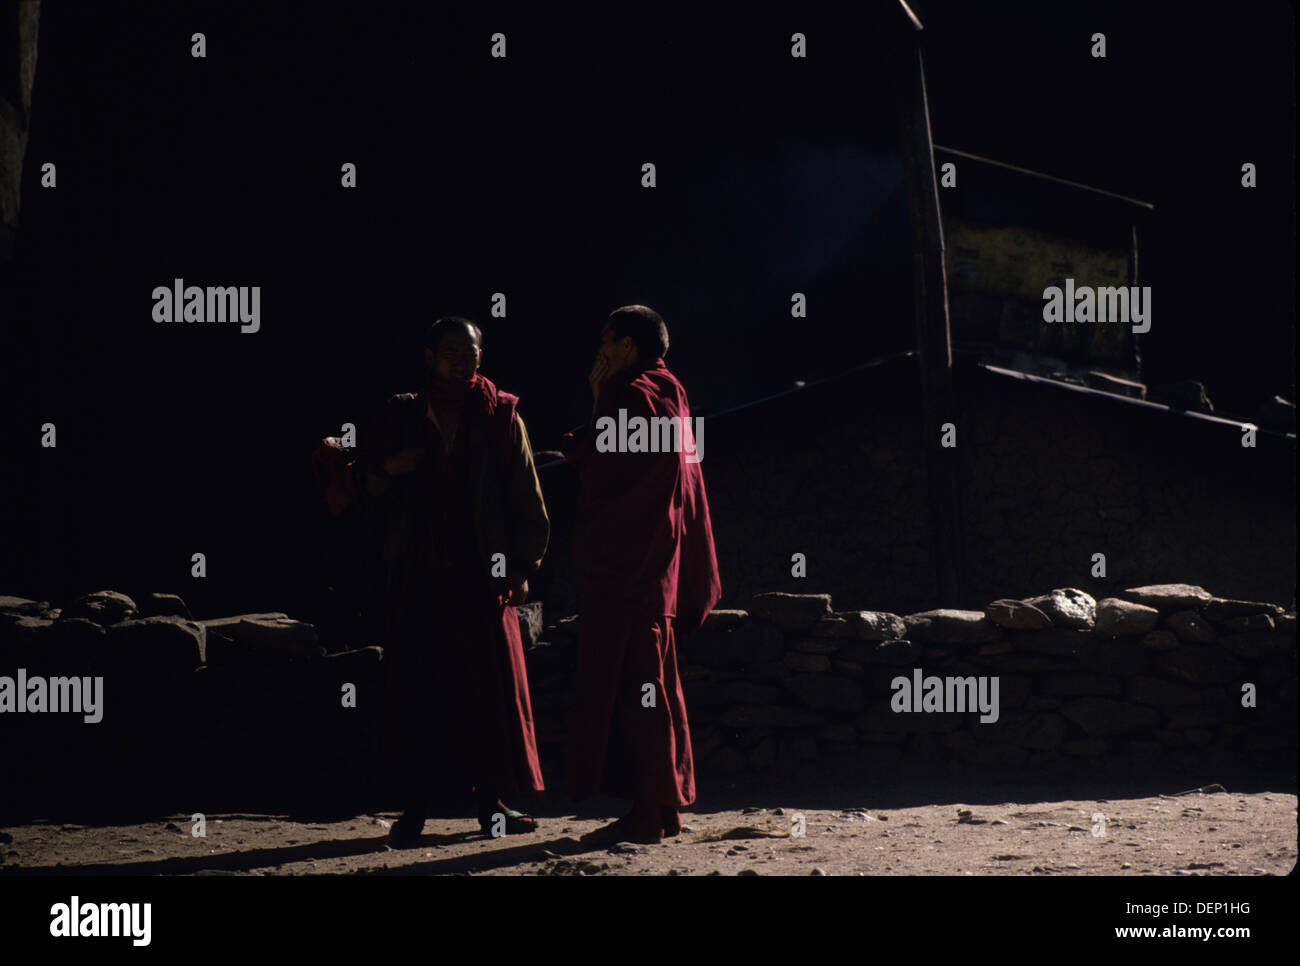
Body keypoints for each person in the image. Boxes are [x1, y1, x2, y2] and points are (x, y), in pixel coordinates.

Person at [351, 316, 550, 846]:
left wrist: (523, 567)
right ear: (429, 356)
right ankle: (414, 812)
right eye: (450, 351)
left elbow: (527, 499)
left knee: (489, 698)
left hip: (482, 580)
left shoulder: (502, 415)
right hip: (417, 577)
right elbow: (358, 486)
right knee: (418, 694)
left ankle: (493, 809)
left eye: (471, 351)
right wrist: (389, 469)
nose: (463, 360)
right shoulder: (403, 413)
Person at [562, 304, 721, 844]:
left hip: (630, 573)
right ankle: (661, 809)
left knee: (638, 695)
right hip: (659, 573)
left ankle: (648, 817)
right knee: (656, 693)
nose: (601, 351)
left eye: (606, 340)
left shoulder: (633, 394)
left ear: (628, 345)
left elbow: (614, 476)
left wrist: (599, 400)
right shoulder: (669, 389)